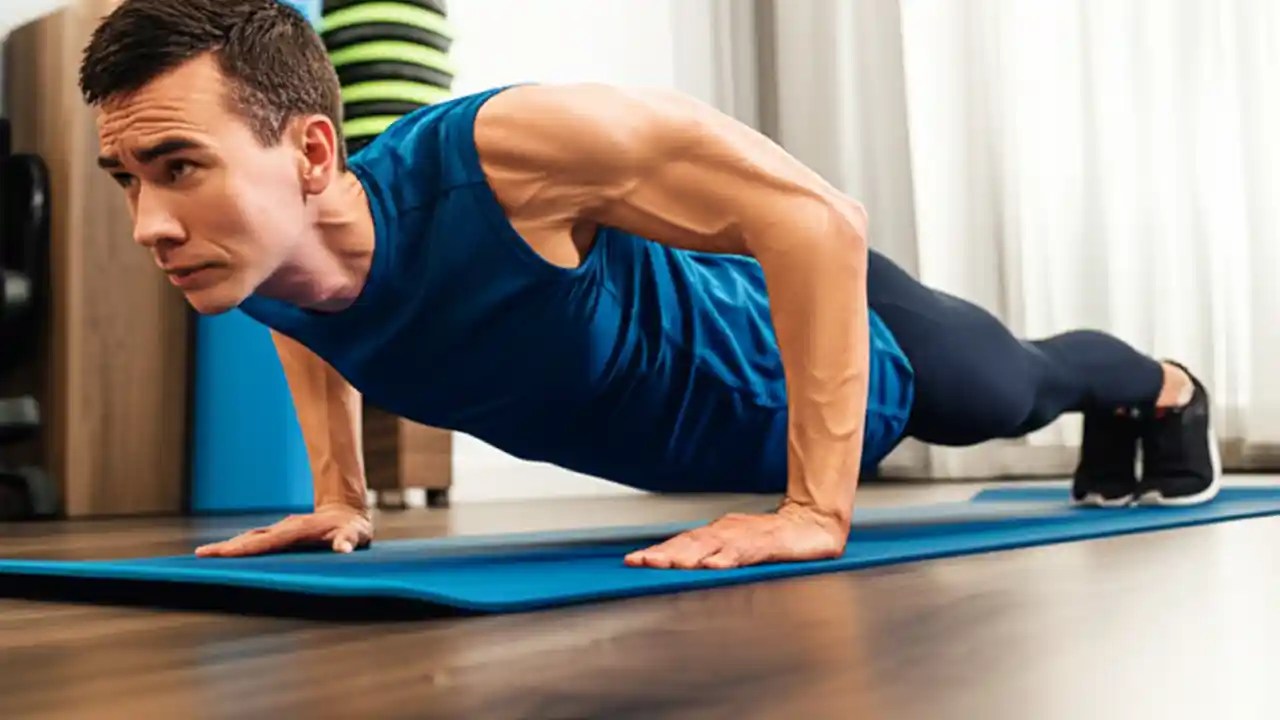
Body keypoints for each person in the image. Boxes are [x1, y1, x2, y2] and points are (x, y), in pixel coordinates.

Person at [77, 0, 1219, 571]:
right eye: (127, 177)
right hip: (703, 418)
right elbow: (312, 324)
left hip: (825, 348)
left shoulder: (507, 151)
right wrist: (342, 497)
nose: (151, 225)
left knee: (1006, 392)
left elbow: (815, 219)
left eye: (179, 167)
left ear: (314, 154)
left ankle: (1161, 389)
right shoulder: (257, 256)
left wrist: (814, 513)